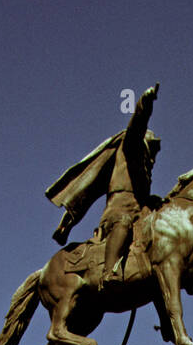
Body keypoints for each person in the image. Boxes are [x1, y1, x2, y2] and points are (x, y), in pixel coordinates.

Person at [46, 84, 161, 285]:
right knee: (123, 222)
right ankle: (109, 272)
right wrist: (145, 103)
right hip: (118, 210)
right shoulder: (130, 147)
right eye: (152, 147)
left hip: (139, 212)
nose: (153, 154)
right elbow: (137, 124)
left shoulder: (144, 170)